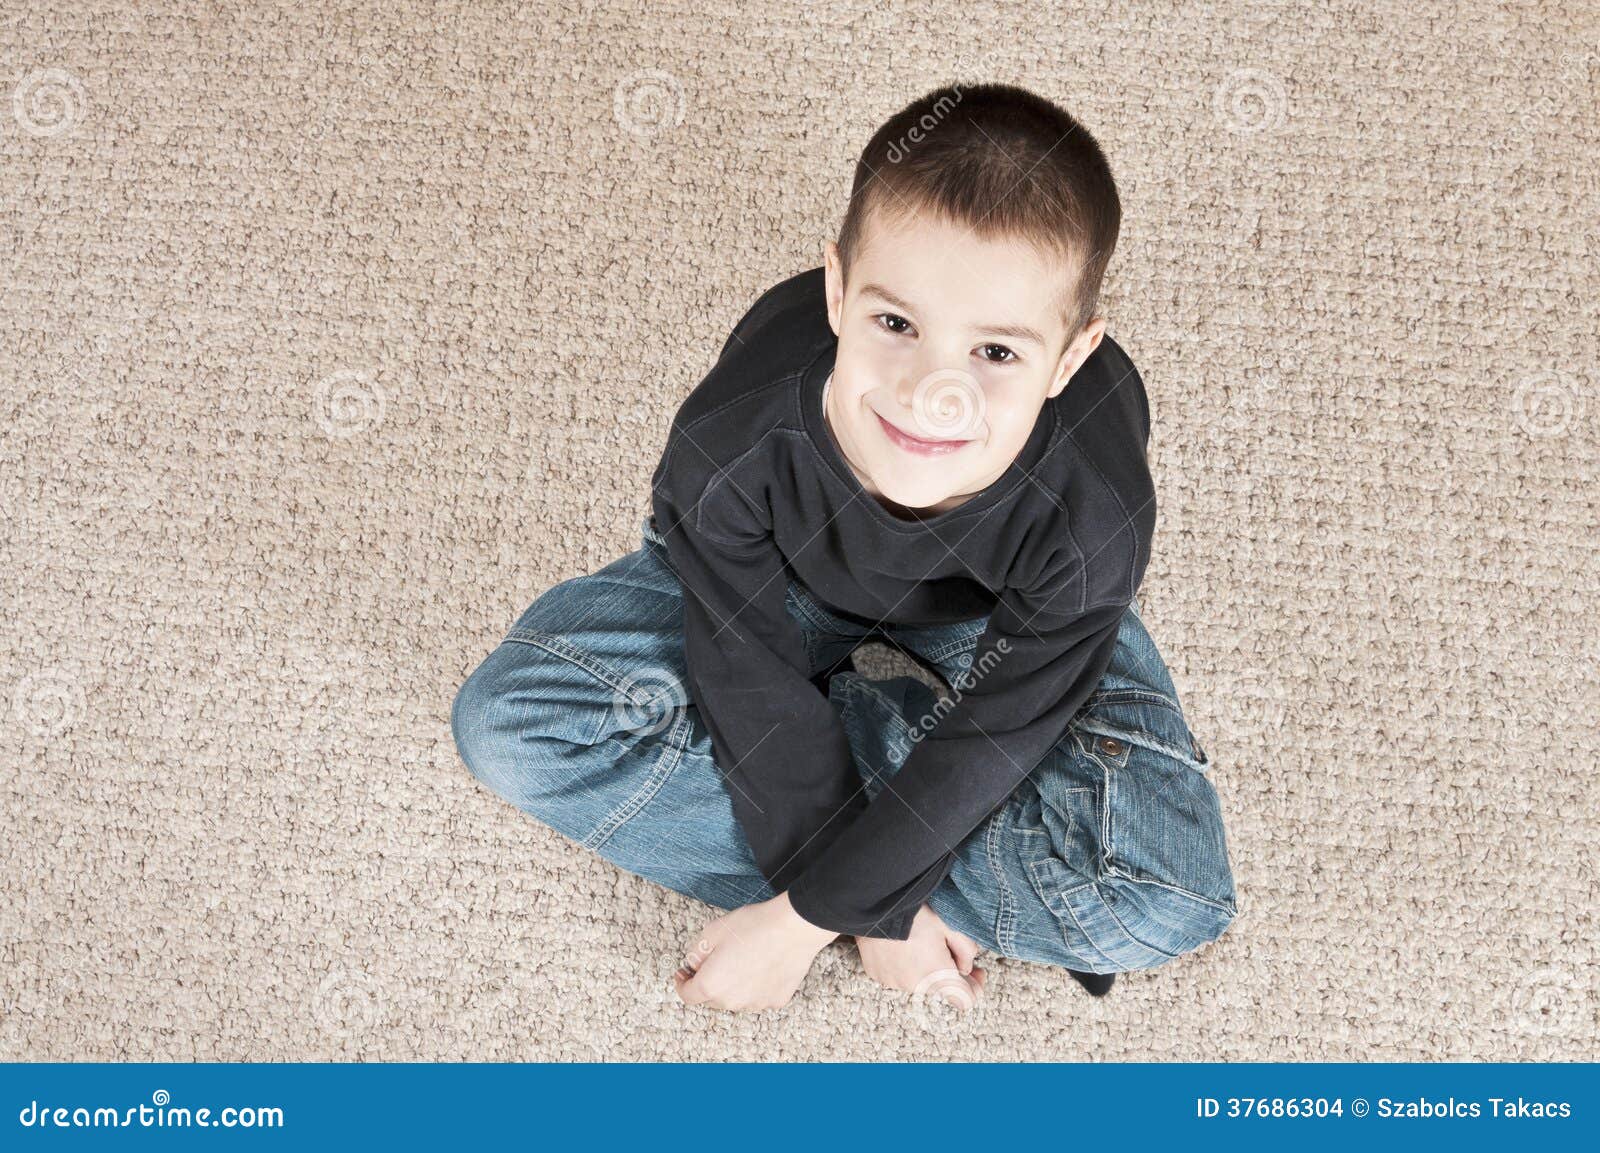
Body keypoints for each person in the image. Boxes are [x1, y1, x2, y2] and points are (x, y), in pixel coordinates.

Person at [452, 83, 1238, 1014]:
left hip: (998, 611)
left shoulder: (1091, 512)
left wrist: (806, 915)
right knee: (515, 723)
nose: (928, 390)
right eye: (897, 325)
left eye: (996, 353)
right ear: (837, 292)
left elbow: (1003, 727)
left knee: (1166, 896)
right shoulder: (733, 443)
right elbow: (743, 666)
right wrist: (881, 910)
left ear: (1069, 360)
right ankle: (890, 839)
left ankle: (859, 787)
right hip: (787, 571)